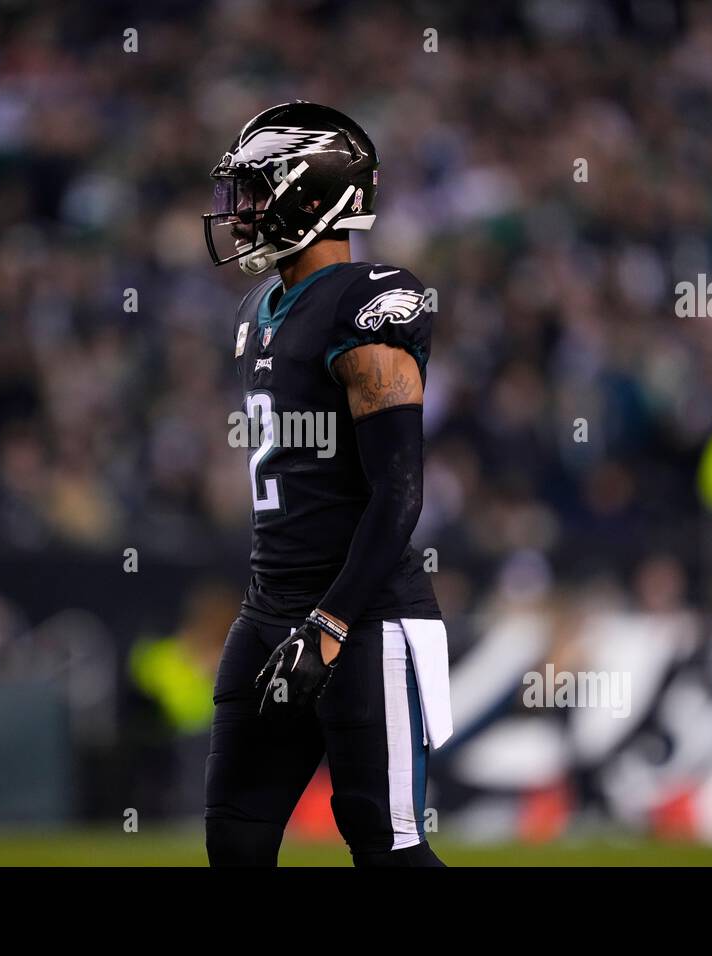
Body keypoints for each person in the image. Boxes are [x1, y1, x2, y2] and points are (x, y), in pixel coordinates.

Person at [202, 102, 452, 866]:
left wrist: (332, 625)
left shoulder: (368, 298)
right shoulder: (258, 310)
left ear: (310, 195)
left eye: (254, 190)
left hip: (364, 615)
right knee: (236, 843)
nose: (238, 211)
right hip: (269, 605)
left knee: (389, 851)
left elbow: (400, 494)